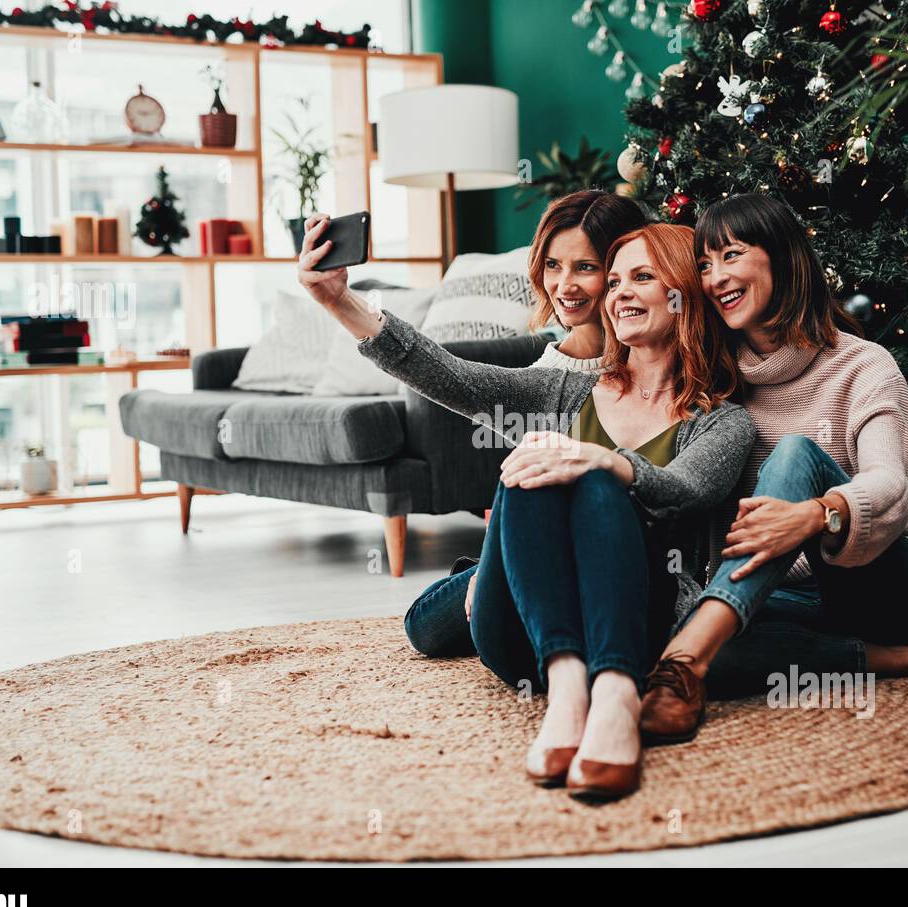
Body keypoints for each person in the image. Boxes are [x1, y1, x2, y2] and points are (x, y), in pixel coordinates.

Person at [297, 216, 754, 800]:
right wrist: (341, 303)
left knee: (584, 472)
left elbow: (686, 489)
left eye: (641, 277)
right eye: (613, 281)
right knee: (537, 458)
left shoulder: (722, 421)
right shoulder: (571, 393)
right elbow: (454, 378)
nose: (617, 295)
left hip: (638, 626)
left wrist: (604, 461)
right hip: (523, 641)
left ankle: (613, 692)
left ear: (684, 293)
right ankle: (568, 690)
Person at [638, 192, 908, 745]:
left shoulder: (863, 365)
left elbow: (891, 484)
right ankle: (898, 660)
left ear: (783, 257)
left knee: (794, 456)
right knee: (706, 643)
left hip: (880, 579)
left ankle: (684, 663)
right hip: (776, 598)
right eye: (705, 265)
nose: (715, 279)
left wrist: (817, 515)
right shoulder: (714, 382)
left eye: (731, 255)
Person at [403, 190, 647, 660]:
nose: (564, 285)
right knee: (426, 626)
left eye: (585, 267)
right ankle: (492, 569)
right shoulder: (545, 378)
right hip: (548, 547)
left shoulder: (659, 362)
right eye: (553, 266)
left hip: (626, 555)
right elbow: (446, 376)